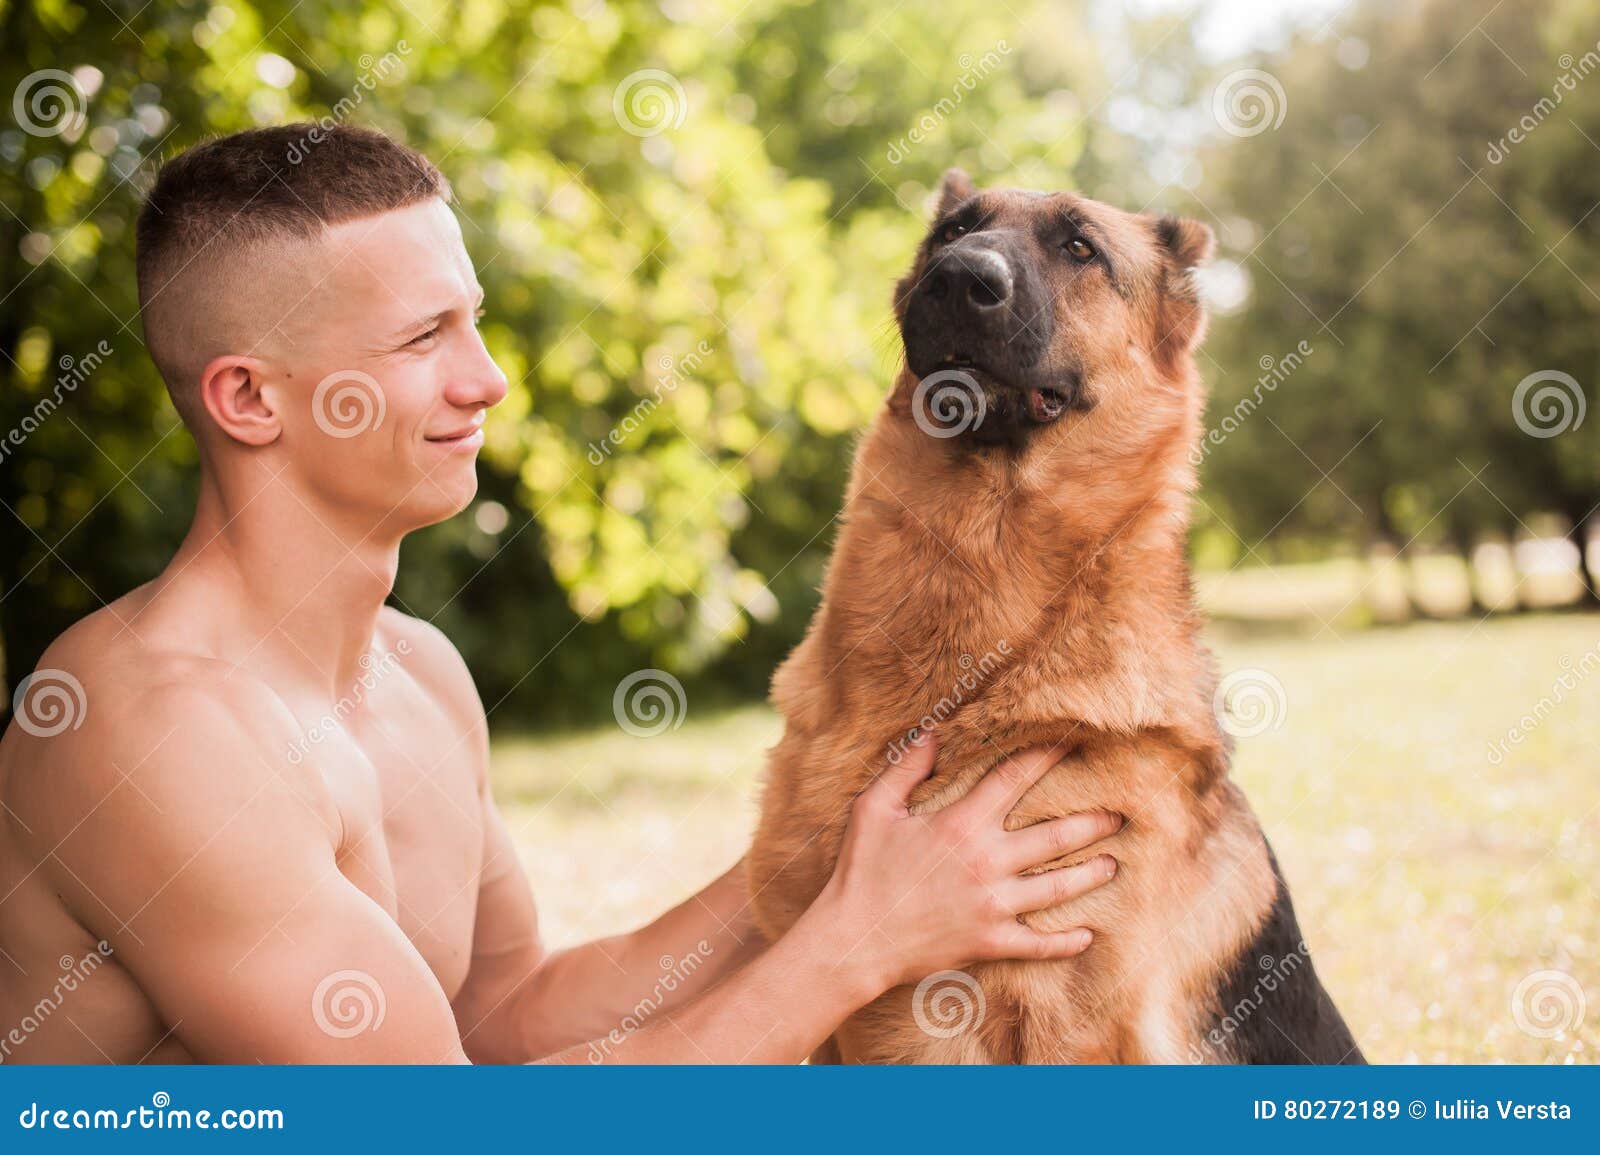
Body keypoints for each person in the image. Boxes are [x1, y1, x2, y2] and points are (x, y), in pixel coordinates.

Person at [0, 125, 1118, 1063]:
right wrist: (855, 942)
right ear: (248, 399)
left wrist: (848, 831)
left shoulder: (418, 675)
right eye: (422, 337)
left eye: (471, 317)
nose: (485, 378)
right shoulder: (149, 726)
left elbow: (502, 1017)